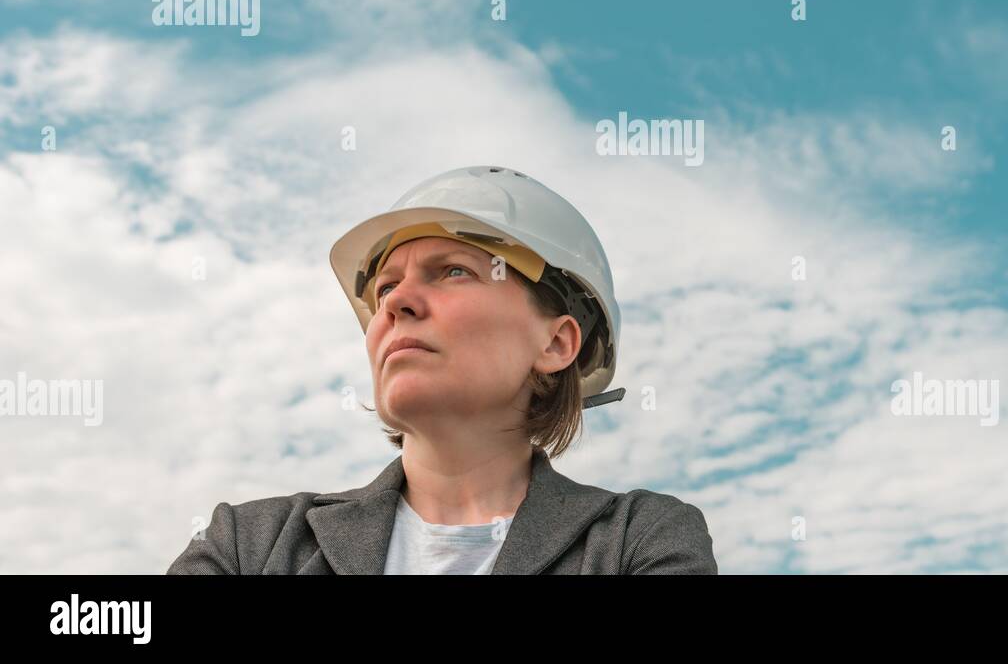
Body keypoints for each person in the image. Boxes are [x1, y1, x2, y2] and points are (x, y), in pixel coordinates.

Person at [167, 165, 717, 574]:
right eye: (385, 287)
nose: (395, 304)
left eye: (453, 270)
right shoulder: (247, 546)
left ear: (556, 343)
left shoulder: (638, 542)